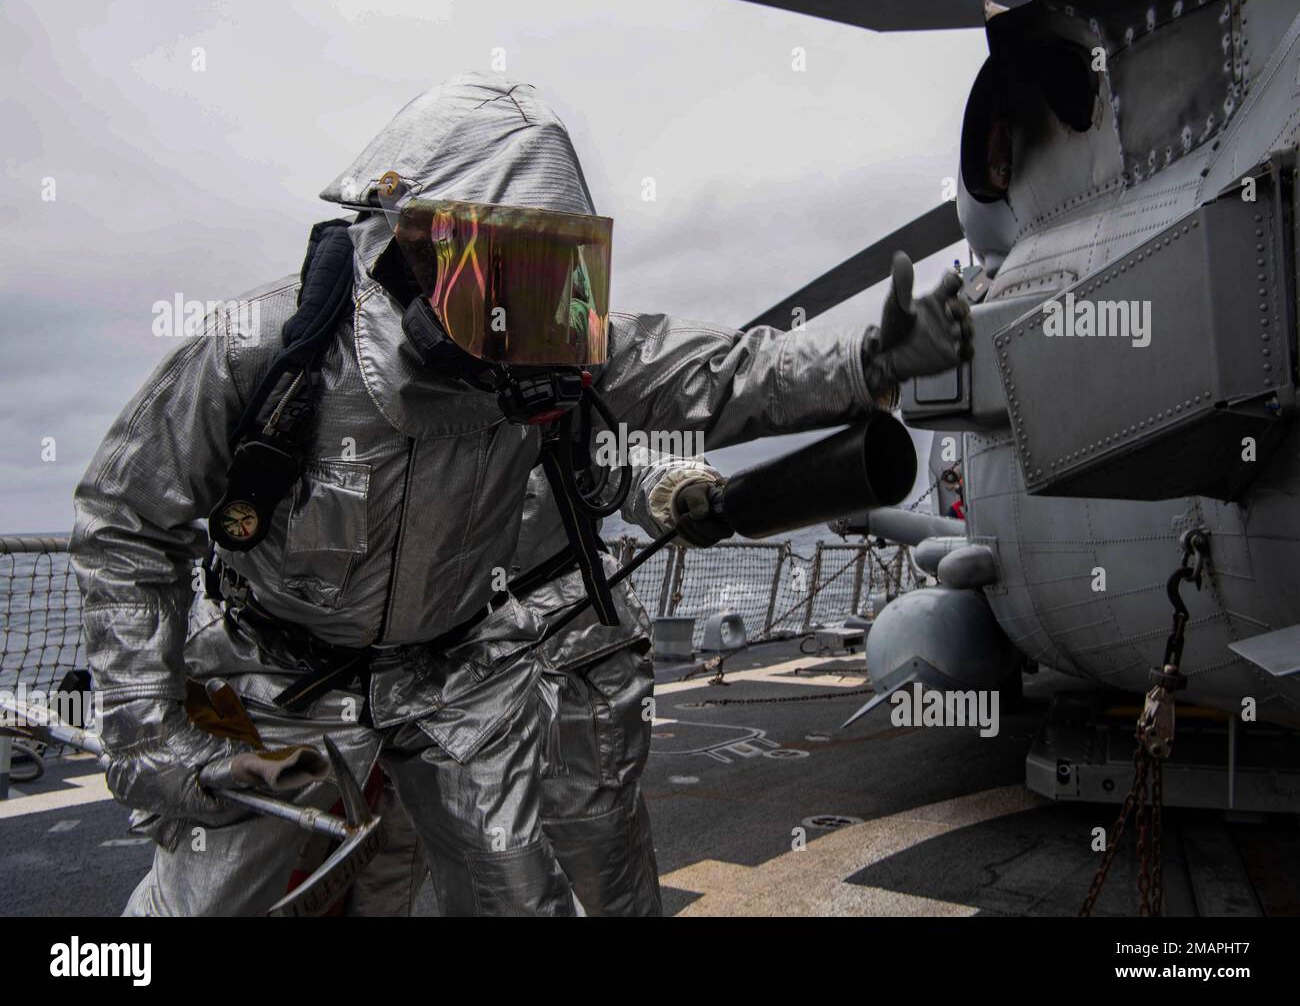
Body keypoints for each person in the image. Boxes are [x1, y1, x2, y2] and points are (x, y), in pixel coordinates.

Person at [71, 72, 973, 916]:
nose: (535, 306)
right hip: (279, 678)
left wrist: (869, 362)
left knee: (519, 896)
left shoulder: (540, 340)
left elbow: (717, 374)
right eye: (510, 266)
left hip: (461, 675)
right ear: (418, 232)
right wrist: (153, 738)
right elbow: (127, 525)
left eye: (548, 268)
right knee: (204, 903)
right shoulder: (256, 350)